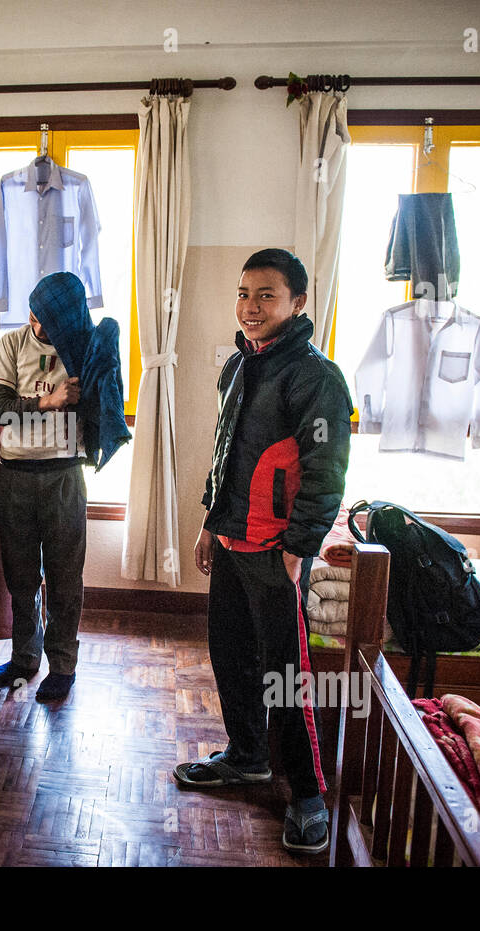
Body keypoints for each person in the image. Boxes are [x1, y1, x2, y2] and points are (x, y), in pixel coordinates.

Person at [173, 248, 353, 856]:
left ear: (298, 303)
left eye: (266, 295)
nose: (250, 307)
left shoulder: (316, 378)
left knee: (286, 676)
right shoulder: (239, 366)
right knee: (230, 654)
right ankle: (248, 756)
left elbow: (326, 472)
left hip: (278, 551)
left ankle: (308, 795)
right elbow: (226, 456)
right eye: (244, 293)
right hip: (230, 540)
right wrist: (208, 524)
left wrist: (301, 549)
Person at [0, 274, 92, 702]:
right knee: (21, 577)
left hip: (64, 475)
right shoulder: (12, 345)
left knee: (65, 578)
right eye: (33, 314)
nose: (37, 325)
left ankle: (62, 665)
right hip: (17, 477)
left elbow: (107, 404)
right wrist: (50, 401)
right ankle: (24, 658)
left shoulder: (85, 349)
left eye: (48, 319)